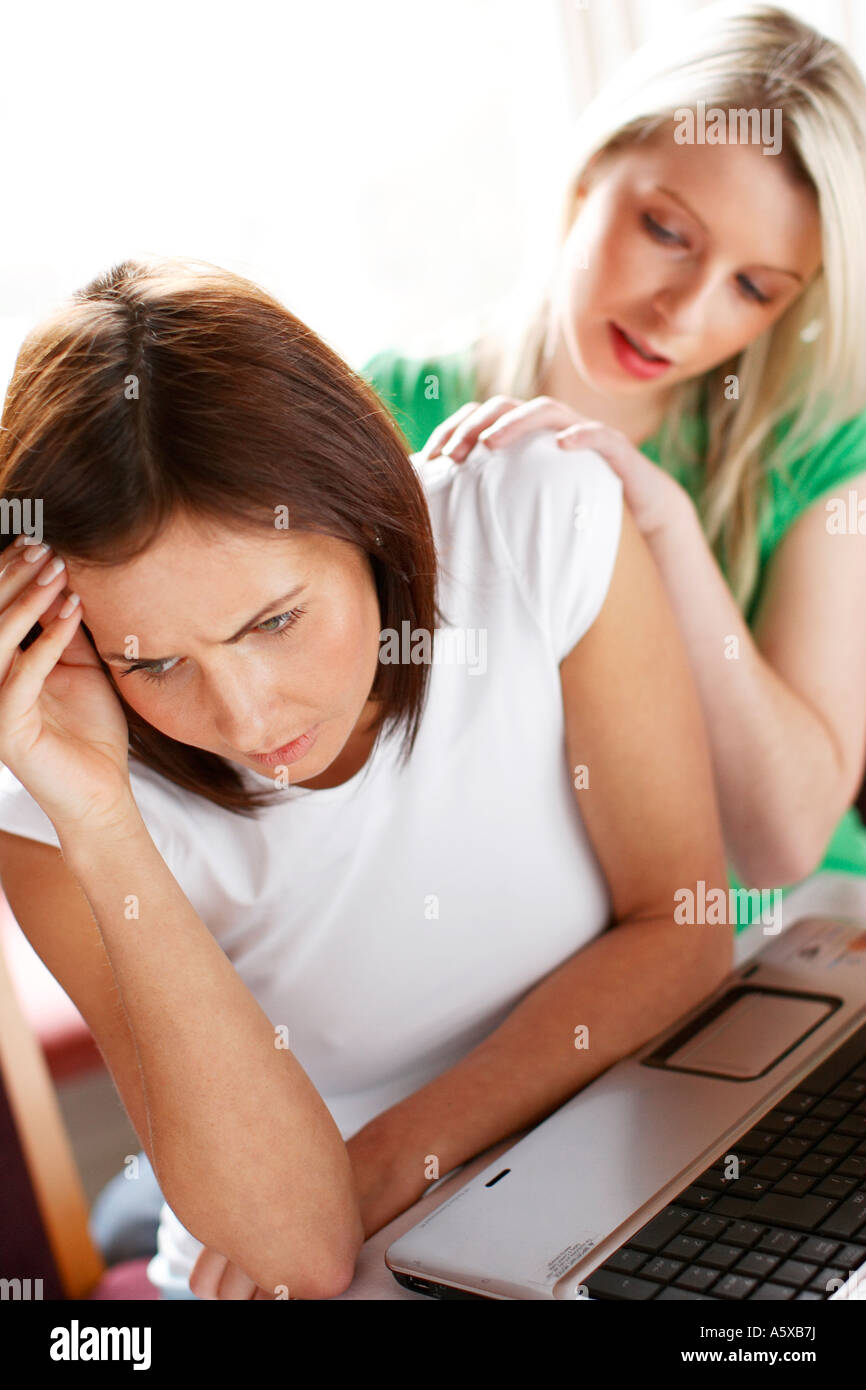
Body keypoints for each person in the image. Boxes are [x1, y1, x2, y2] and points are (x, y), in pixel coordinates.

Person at [0, 256, 730, 1298]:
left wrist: (385, 1166)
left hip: (580, 1150)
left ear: (365, 508)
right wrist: (102, 816)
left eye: (276, 621)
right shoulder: (47, 796)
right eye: (152, 662)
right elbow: (295, 1249)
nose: (247, 719)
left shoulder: (532, 524)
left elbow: (683, 924)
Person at [363, 1, 866, 931]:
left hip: (789, 943)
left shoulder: (820, 450)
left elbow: (784, 843)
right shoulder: (390, 411)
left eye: (753, 288)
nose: (682, 313)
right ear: (592, 170)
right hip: (533, 960)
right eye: (668, 232)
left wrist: (667, 530)